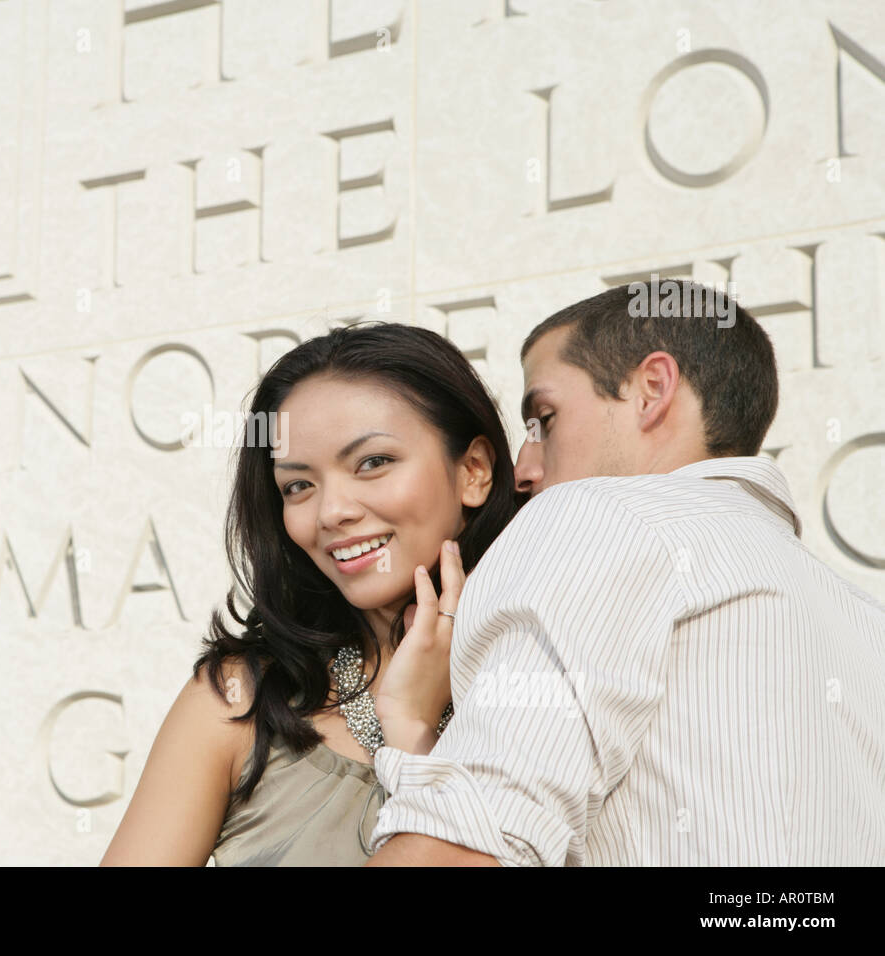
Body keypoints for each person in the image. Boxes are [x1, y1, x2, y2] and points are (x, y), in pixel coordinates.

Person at [364, 280, 885, 866]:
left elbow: (461, 849)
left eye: (544, 418)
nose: (523, 469)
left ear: (652, 389)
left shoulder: (599, 515)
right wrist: (414, 734)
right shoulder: (865, 621)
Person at [100, 322, 522, 865]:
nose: (331, 512)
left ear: (474, 470)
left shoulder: (552, 680)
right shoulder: (240, 701)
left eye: (373, 462)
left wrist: (415, 732)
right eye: (298, 485)